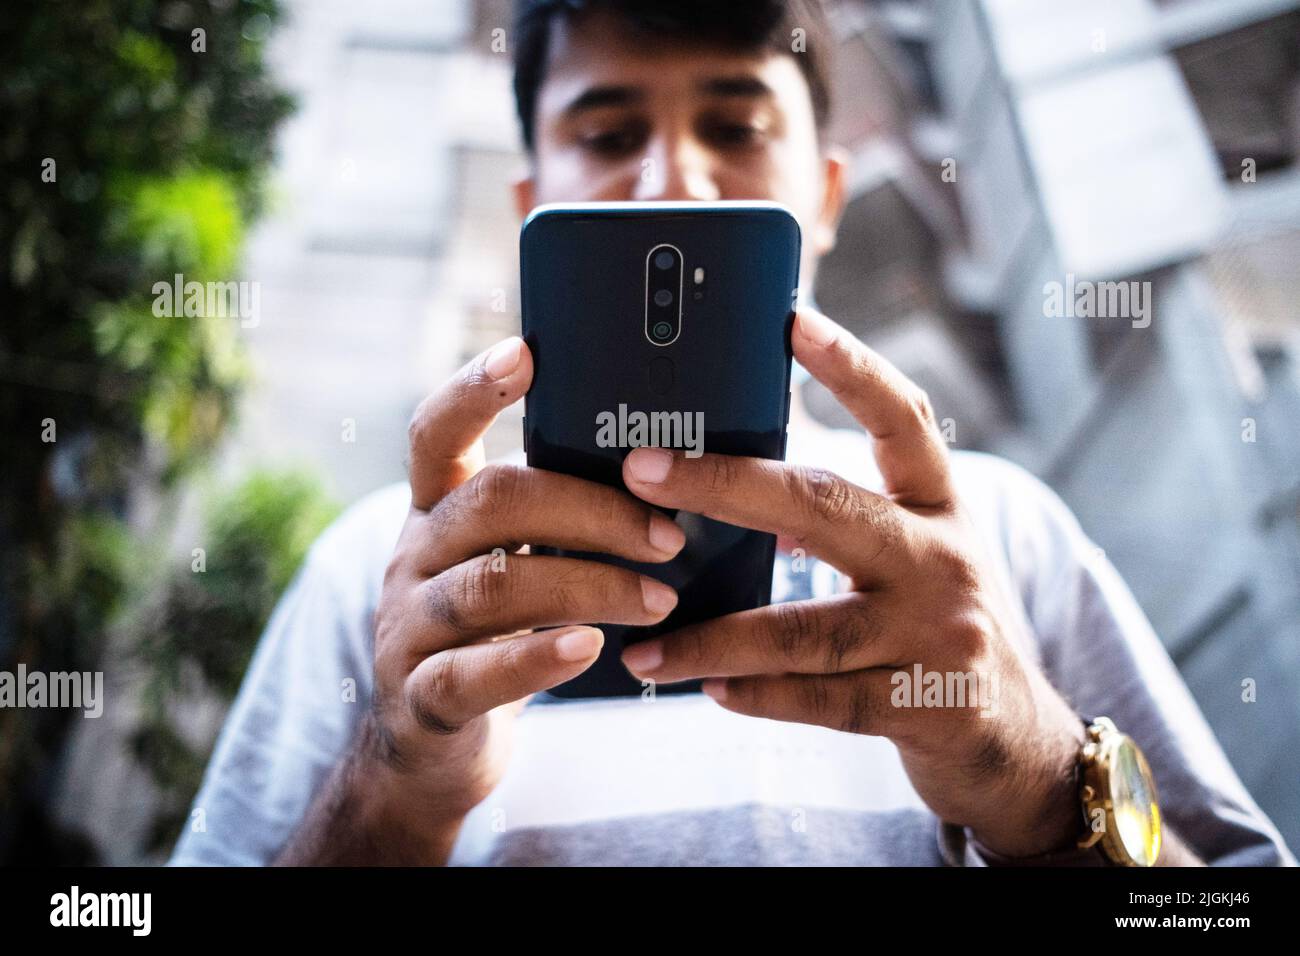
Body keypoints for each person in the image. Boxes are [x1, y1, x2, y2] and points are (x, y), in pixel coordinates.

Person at [170, 0, 1293, 866]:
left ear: (827, 191)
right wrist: (392, 781)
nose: (671, 178)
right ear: (527, 207)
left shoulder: (995, 528)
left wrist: (1043, 780)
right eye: (608, 130)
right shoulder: (389, 563)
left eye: (736, 124)